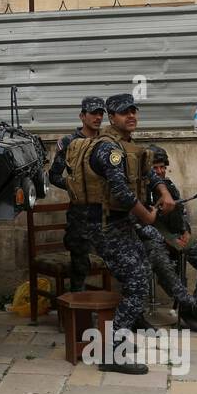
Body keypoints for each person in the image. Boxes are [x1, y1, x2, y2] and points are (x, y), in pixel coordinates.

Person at [65, 92, 175, 373]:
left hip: (118, 223)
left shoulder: (128, 147)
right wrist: (149, 216)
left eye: (133, 111)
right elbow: (122, 192)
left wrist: (163, 191)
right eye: (124, 112)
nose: (131, 116)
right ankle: (112, 352)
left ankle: (121, 336)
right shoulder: (108, 149)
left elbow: (148, 172)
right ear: (111, 118)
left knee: (142, 265)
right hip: (103, 225)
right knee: (136, 279)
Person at [136, 145, 197, 331]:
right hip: (150, 244)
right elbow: (135, 224)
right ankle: (190, 306)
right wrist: (162, 238)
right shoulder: (137, 190)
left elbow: (181, 212)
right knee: (161, 260)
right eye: (155, 167)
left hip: (175, 238)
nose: (160, 171)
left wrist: (185, 232)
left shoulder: (169, 187)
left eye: (163, 167)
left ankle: (193, 310)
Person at [49, 96, 105, 294]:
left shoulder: (106, 141)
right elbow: (54, 176)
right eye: (93, 113)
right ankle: (77, 314)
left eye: (101, 113)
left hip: (105, 212)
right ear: (82, 116)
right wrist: (74, 185)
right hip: (80, 214)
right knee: (80, 265)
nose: (98, 117)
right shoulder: (69, 142)